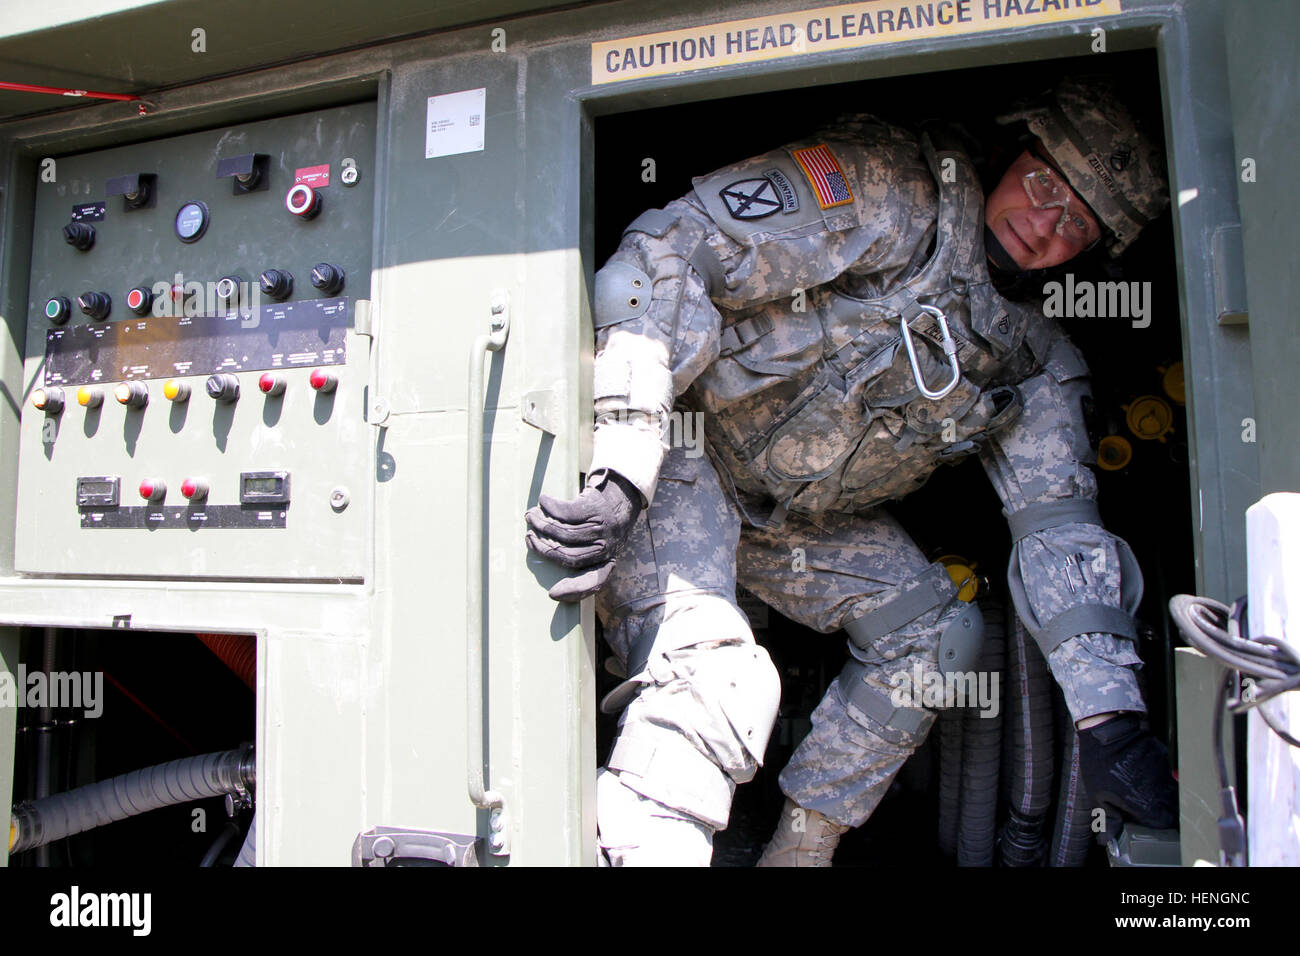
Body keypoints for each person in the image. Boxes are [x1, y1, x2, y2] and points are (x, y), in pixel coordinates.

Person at [525, 76, 1179, 866]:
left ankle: (800, 851)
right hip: (684, 457)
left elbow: (1057, 529)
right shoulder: (894, 193)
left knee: (937, 635)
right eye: (1045, 184)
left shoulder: (1031, 358)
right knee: (717, 679)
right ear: (1018, 148)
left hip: (793, 521)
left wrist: (1108, 720)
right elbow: (670, 252)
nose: (1045, 226)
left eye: (1077, 222)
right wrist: (625, 466)